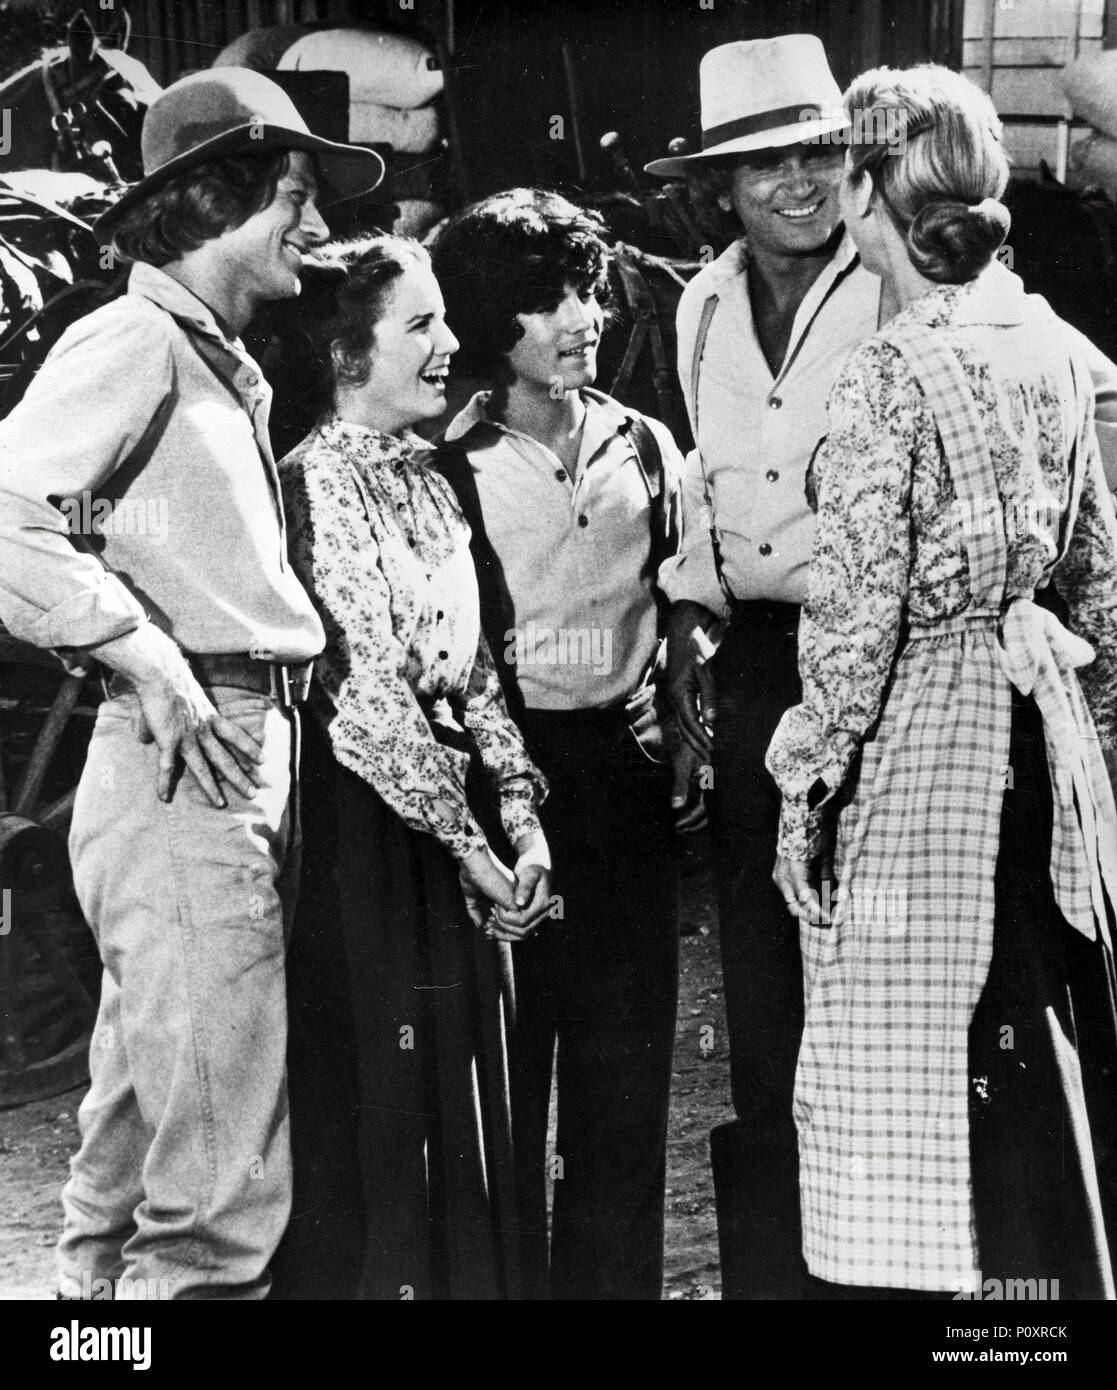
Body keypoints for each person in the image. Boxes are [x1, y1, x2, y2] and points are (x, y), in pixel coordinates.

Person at [0, 69, 384, 1298]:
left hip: (226, 751)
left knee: (140, 1126)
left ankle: (88, 1328)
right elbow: (7, 509)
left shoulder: (207, 354)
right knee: (219, 1178)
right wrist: (145, 651)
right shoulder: (132, 340)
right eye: (292, 198)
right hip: (188, 756)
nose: (316, 231)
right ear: (211, 202)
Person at [767, 63, 1117, 1298]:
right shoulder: (1056, 344)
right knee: (1036, 1024)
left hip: (930, 745)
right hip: (1043, 738)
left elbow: (853, 625)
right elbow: (1097, 585)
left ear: (867, 196)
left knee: (917, 1058)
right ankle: (1049, 1298)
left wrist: (804, 790)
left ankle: (961, 1306)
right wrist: (1091, 756)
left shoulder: (888, 369)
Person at [644, 34, 885, 1298]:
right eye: (764, 163)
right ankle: (782, 1271)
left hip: (885, 662)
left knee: (881, 959)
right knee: (758, 964)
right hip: (752, 667)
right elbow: (705, 492)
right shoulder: (698, 305)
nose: (798, 182)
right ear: (719, 188)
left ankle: (890, 1256)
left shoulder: (904, 283)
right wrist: (688, 616)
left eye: (817, 153)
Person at [270, 237, 552, 1300]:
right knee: (386, 1111)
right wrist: (475, 850)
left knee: (469, 1100)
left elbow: (478, 675)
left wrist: (522, 818)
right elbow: (372, 701)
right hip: (369, 842)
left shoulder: (431, 479)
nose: (451, 345)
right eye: (420, 326)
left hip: (456, 831)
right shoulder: (312, 486)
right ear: (348, 352)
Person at [430, 189, 697, 1300]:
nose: (581, 319)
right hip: (510, 787)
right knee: (501, 1079)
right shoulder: (445, 469)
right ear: (492, 324)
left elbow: (690, 593)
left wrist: (678, 702)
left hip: (625, 787)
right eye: (544, 303)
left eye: (585, 292)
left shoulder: (647, 445)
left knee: (623, 1084)